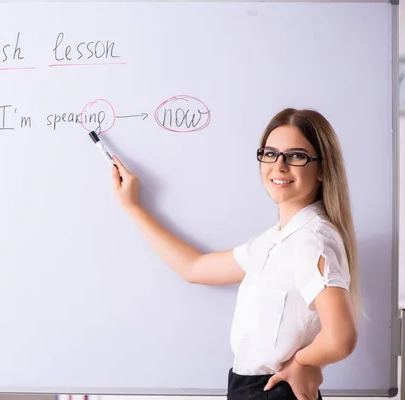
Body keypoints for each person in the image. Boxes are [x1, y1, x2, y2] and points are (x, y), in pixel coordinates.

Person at [110, 108, 360, 400]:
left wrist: (302, 362)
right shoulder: (274, 240)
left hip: (273, 391)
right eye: (270, 153)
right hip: (249, 388)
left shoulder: (312, 240)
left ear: (321, 169)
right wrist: (133, 207)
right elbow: (194, 267)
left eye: (296, 156)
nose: (279, 165)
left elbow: (340, 338)